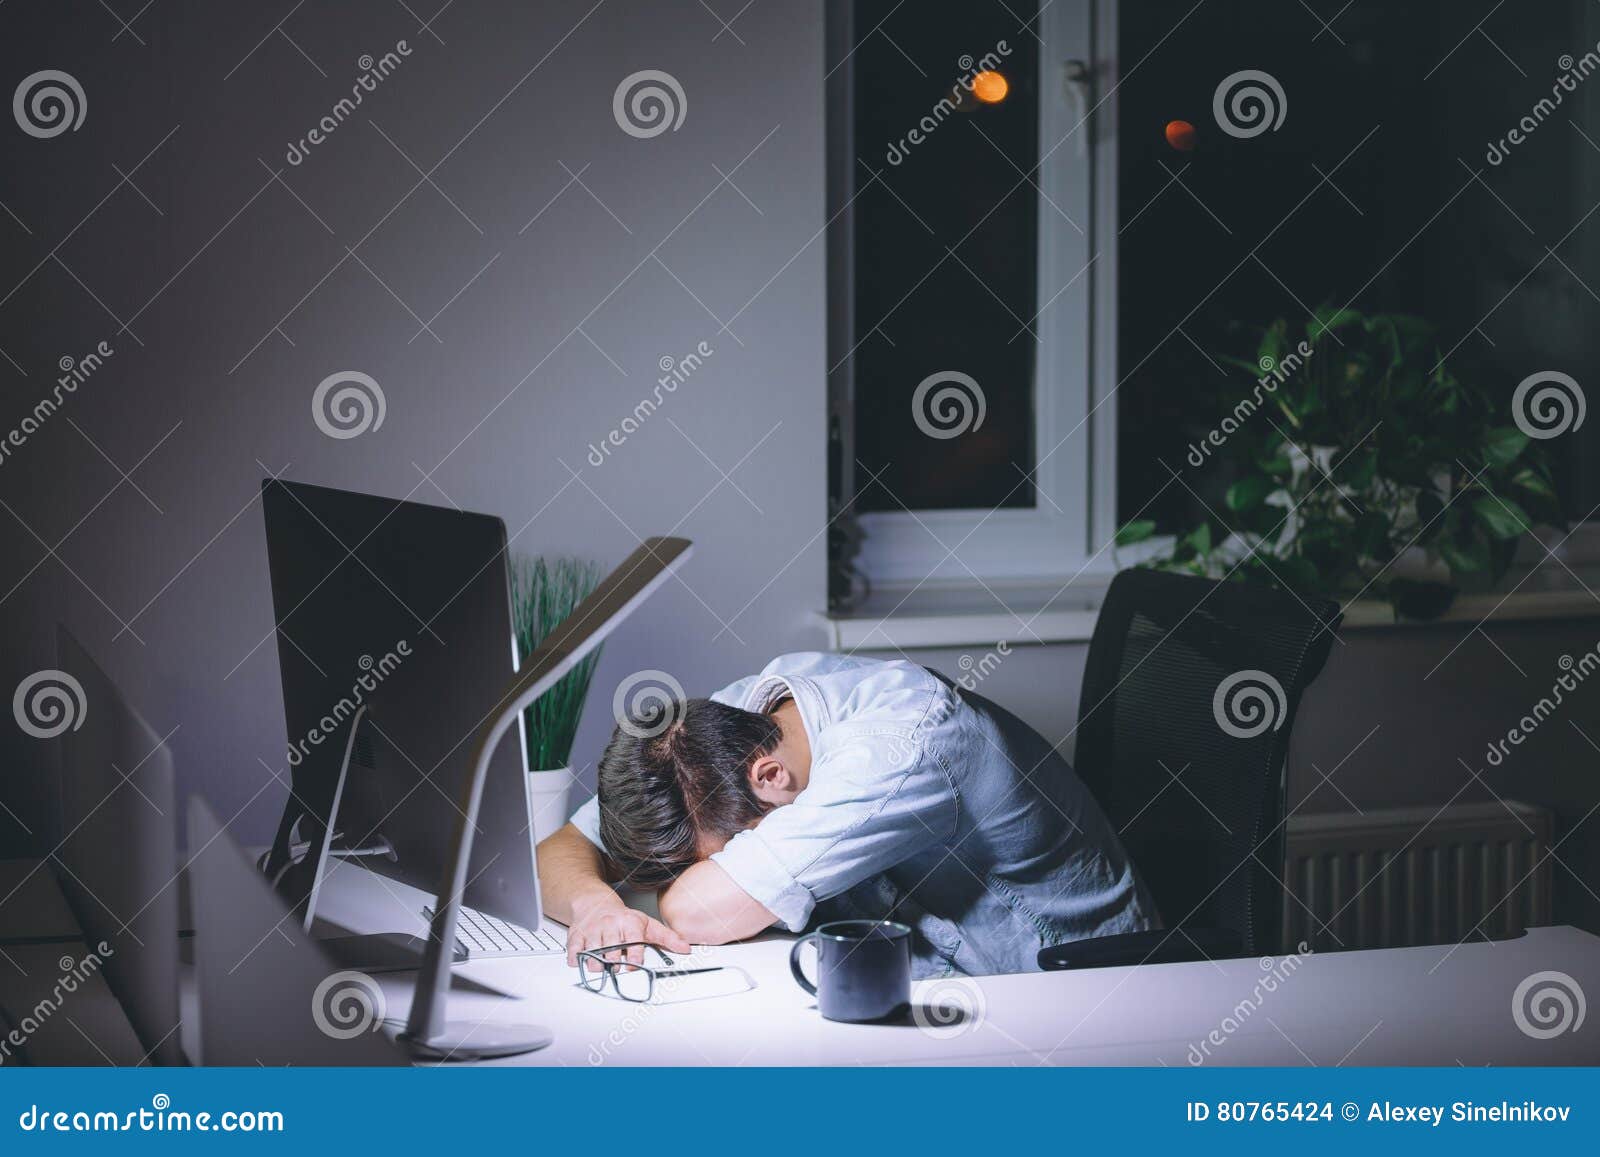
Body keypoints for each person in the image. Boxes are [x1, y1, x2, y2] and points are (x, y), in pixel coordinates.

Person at [538, 652, 1154, 977]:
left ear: (770, 779)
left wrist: (681, 890)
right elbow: (561, 847)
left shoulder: (899, 752)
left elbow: (693, 911)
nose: (704, 871)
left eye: (718, 858)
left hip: (1057, 980)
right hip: (914, 952)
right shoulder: (732, 726)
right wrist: (597, 906)